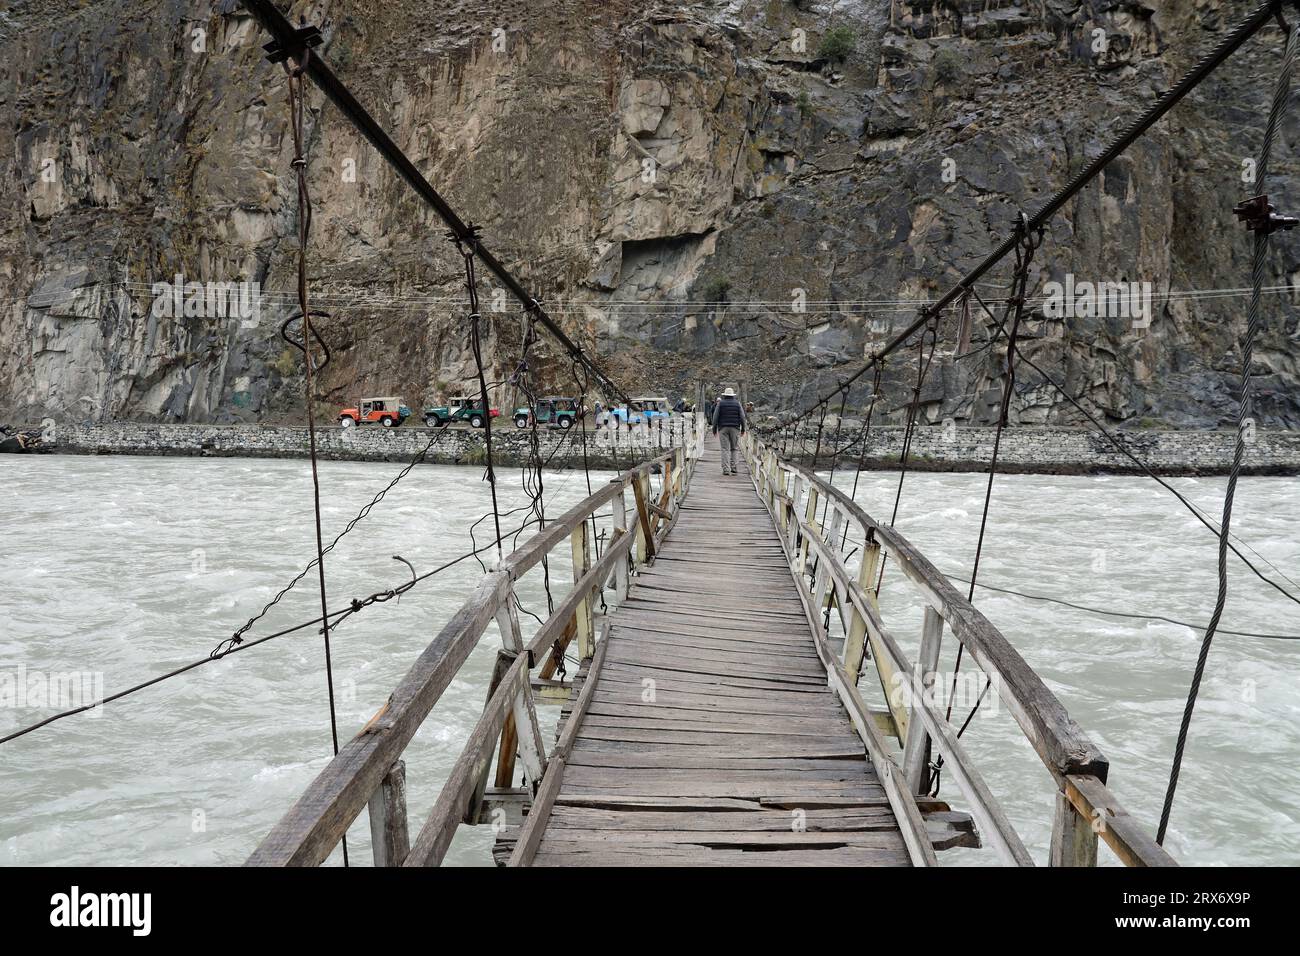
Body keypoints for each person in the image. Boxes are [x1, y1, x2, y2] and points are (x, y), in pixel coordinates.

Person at [711, 386, 746, 476]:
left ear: (725, 395)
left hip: (723, 428)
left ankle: (726, 469)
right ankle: (734, 468)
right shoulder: (737, 404)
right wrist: (743, 429)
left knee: (725, 449)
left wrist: (714, 429)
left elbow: (715, 417)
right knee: (734, 448)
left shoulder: (720, 404)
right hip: (735, 428)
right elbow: (742, 417)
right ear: (732, 395)